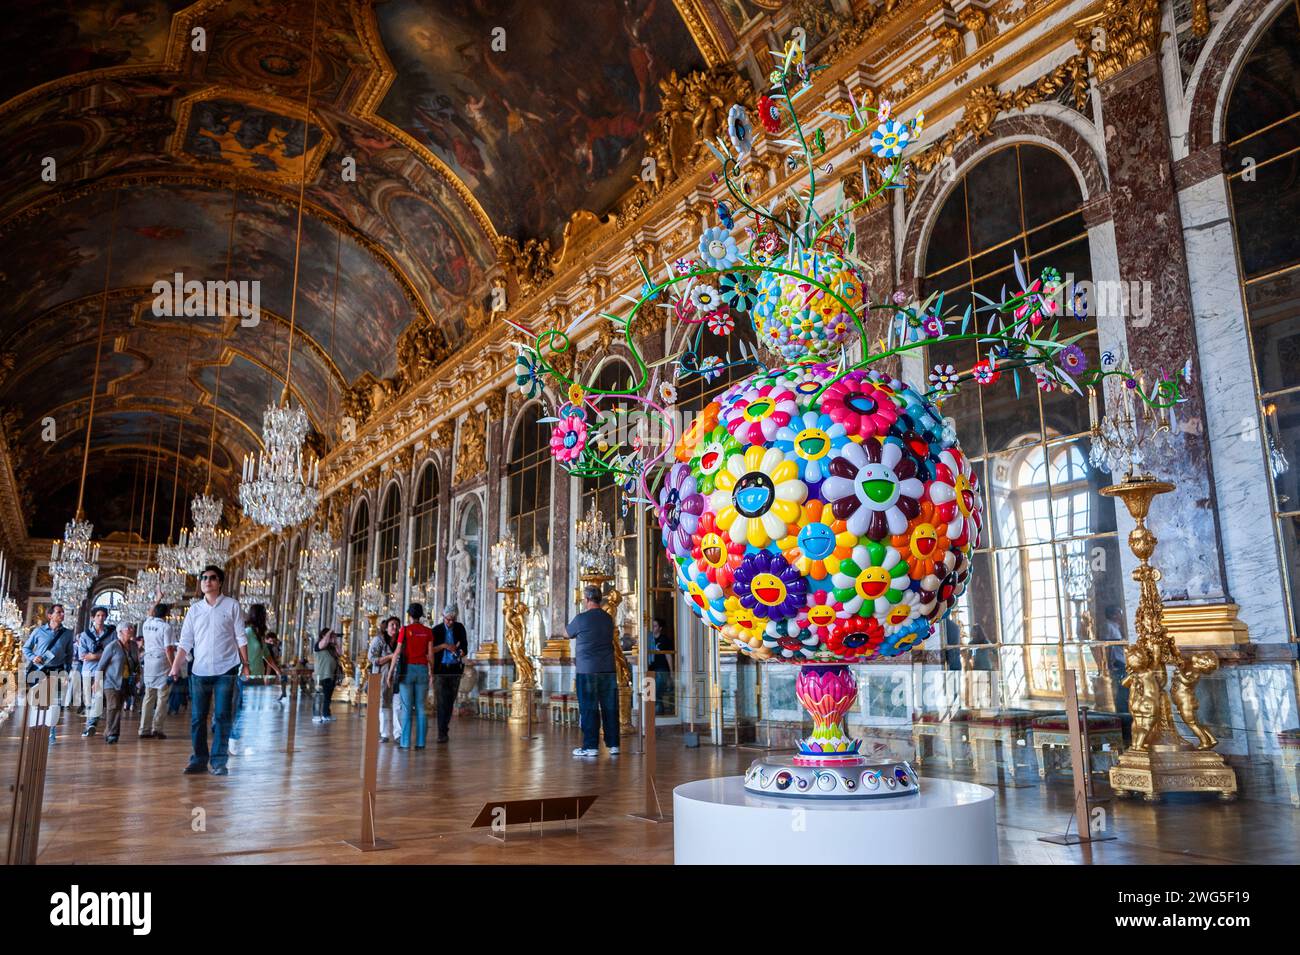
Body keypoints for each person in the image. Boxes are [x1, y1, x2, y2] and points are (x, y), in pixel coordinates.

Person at [170, 565, 249, 776]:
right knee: (198, 718)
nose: (207, 581)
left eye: (212, 578)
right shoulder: (194, 610)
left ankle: (218, 762)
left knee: (223, 716)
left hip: (227, 669)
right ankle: (198, 759)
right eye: (204, 578)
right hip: (199, 670)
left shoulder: (232, 606)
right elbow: (185, 641)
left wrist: (246, 664)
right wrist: (176, 665)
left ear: (220, 582)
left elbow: (241, 637)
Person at [567, 585, 619, 758]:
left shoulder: (581, 618)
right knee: (610, 708)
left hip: (587, 671)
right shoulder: (608, 618)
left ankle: (590, 746)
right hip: (608, 669)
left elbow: (568, 633)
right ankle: (613, 745)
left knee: (589, 708)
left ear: (587, 599)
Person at [20, 603, 74, 743]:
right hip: (39, 670)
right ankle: (36, 729)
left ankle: (51, 731)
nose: (62, 614)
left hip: (58, 670)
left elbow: (69, 655)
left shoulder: (68, 634)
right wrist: (33, 657)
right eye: (59, 612)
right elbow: (26, 648)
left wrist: (67, 674)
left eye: (63, 612)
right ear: (50, 615)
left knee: (55, 703)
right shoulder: (38, 631)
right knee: (38, 701)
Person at [390, 603, 434, 750]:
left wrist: (390, 672)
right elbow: (430, 655)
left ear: (409, 615)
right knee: (421, 707)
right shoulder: (428, 631)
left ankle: (405, 743)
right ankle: (421, 743)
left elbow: (397, 652)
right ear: (421, 615)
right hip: (422, 670)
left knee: (406, 708)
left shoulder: (405, 630)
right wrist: (431, 672)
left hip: (407, 671)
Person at [430, 604, 469, 743]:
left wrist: (460, 651)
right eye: (448, 619)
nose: (450, 622)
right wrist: (445, 646)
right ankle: (441, 732)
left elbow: (464, 646)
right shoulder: (436, 630)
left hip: (455, 669)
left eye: (453, 619)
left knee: (450, 701)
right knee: (442, 701)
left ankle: (444, 727)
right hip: (440, 670)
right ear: (443, 616)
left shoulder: (460, 628)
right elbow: (430, 650)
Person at [97, 623, 139, 744]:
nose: (131, 630)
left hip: (126, 681)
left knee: (118, 707)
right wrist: (97, 683)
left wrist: (138, 675)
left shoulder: (133, 645)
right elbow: (101, 666)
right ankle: (112, 734)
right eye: (128, 628)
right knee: (113, 707)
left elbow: (136, 663)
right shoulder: (112, 646)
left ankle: (109, 731)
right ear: (120, 632)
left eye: (132, 628)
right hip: (111, 681)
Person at [139, 603, 176, 738]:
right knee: (162, 696)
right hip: (161, 661)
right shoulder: (166, 627)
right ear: (166, 614)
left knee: (148, 696)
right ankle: (157, 728)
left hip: (148, 660)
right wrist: (173, 666)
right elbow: (168, 649)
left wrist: (158, 597)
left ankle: (144, 728)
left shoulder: (147, 623)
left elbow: (150, 611)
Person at [78, 606, 116, 737]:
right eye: (98, 615)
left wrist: (94, 656)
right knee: (89, 698)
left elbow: (113, 653)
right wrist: (102, 654)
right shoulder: (84, 635)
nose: (101, 618)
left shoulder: (111, 634)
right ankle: (91, 722)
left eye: (103, 615)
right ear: (93, 618)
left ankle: (91, 724)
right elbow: (82, 655)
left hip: (103, 670)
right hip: (88, 671)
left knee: (98, 697)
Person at [368, 616, 401, 742]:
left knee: (397, 705)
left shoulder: (400, 642)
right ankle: (384, 733)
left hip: (397, 677)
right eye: (392, 624)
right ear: (386, 627)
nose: (394, 627)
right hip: (382, 677)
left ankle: (398, 734)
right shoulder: (379, 640)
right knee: (384, 705)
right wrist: (390, 656)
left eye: (397, 625)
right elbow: (372, 659)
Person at [312, 628, 340, 723]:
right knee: (319, 696)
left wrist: (335, 643)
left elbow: (340, 653)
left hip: (330, 675)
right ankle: (317, 715)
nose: (331, 638)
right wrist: (330, 631)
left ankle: (326, 714)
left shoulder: (331, 648)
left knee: (328, 697)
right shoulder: (318, 645)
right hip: (321, 675)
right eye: (330, 636)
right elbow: (324, 642)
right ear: (324, 636)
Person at [648, 617, 675, 715]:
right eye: (652, 626)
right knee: (652, 694)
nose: (653, 628)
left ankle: (658, 714)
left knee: (656, 693)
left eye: (655, 626)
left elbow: (669, 656)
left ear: (660, 628)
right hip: (650, 669)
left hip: (661, 669)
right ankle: (656, 714)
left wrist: (671, 672)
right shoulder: (648, 639)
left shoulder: (664, 640)